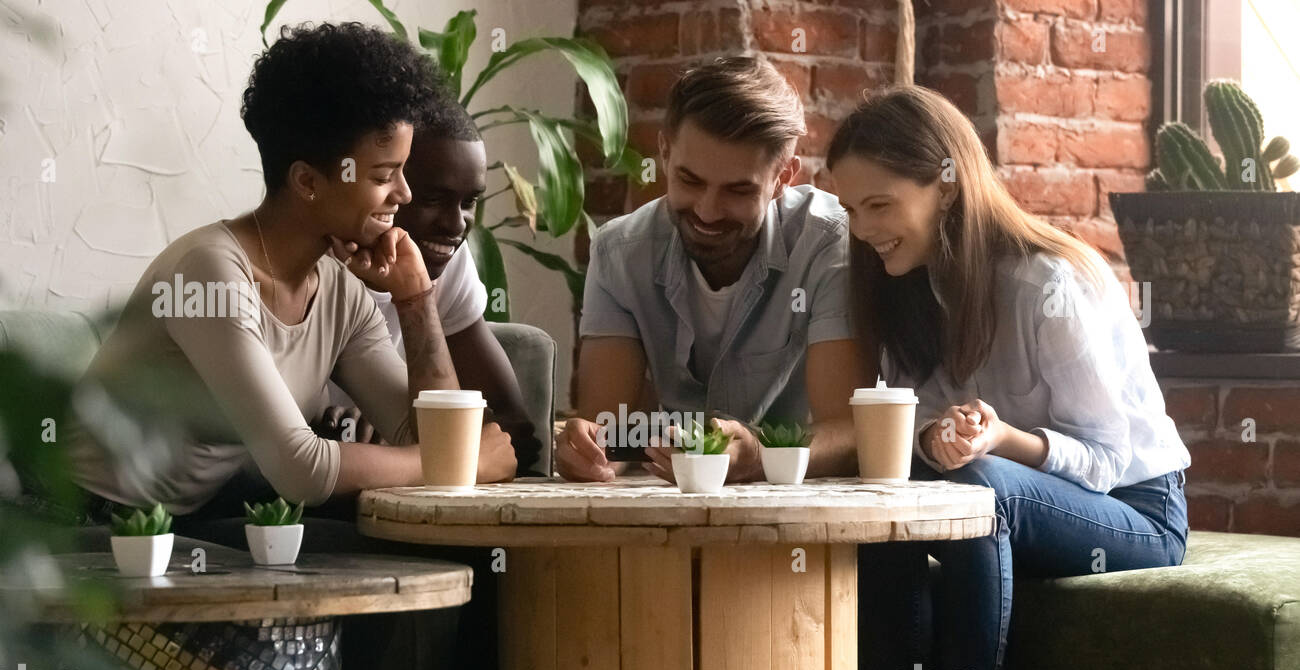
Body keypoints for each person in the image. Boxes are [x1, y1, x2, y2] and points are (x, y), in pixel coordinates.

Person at [826, 86, 1190, 670]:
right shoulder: (906, 288)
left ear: (948, 183)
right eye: (851, 210)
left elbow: (1108, 458)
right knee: (888, 493)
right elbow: (922, 420)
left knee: (983, 486)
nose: (864, 230)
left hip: (1135, 509)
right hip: (1011, 496)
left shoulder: (1048, 284)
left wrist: (1000, 441)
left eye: (881, 205)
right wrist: (936, 438)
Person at [58, 22, 515, 529]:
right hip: (86, 529)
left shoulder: (339, 290)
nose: (403, 194)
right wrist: (461, 463)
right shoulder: (208, 275)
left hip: (188, 523)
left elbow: (421, 435)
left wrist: (415, 297)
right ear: (307, 182)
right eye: (384, 176)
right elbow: (302, 470)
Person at [556, 56, 863, 483]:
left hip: (804, 509)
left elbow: (850, 433)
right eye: (690, 180)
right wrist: (591, 451)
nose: (707, 211)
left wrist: (759, 456)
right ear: (664, 152)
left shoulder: (827, 243)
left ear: (783, 178)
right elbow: (611, 431)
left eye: (738, 190)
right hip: (675, 505)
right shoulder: (619, 253)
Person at [319, 91, 543, 476]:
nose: (456, 226)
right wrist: (414, 451)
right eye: (433, 199)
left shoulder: (442, 259)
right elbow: (291, 451)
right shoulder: (310, 268)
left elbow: (516, 434)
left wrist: (402, 449)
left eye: (469, 202)